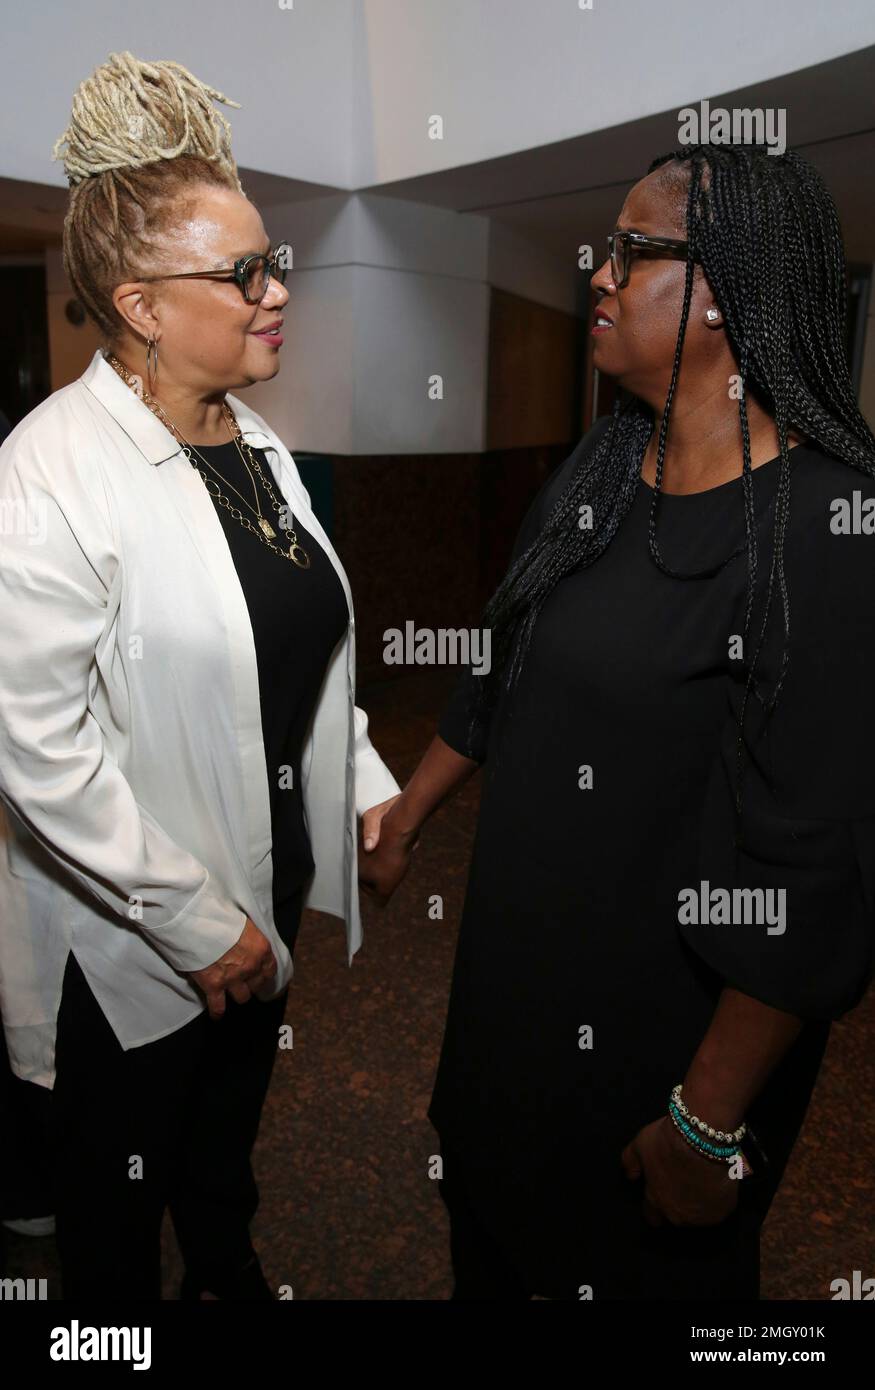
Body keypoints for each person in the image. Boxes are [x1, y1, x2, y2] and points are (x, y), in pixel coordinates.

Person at [359, 142, 875, 1300]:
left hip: (659, 1052)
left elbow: (813, 877)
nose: (597, 273)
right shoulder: (602, 465)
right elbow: (506, 659)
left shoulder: (828, 535)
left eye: (633, 251)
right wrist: (410, 810)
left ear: (724, 288)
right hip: (512, 1001)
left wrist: (703, 1124)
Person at [0, 51, 399, 1301]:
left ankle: (227, 1278)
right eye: (243, 273)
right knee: (114, 1211)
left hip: (259, 884)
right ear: (139, 305)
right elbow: (35, 746)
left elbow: (292, 642)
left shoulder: (251, 437)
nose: (278, 290)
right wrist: (189, 918)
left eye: (274, 260)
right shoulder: (50, 469)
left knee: (220, 1163)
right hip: (129, 942)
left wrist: (366, 775)